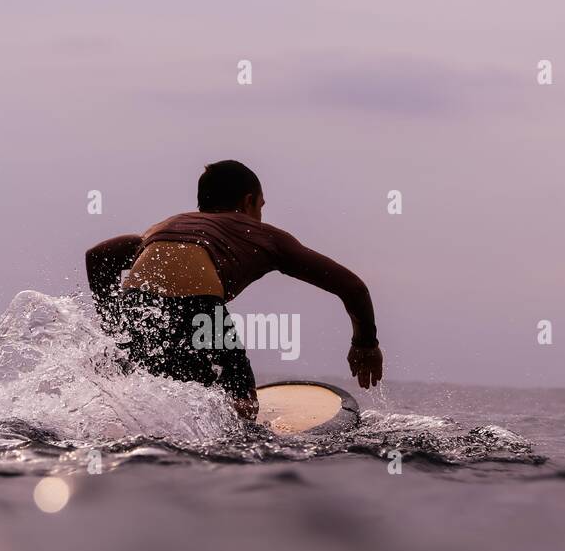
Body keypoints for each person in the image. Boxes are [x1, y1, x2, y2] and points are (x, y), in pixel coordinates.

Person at [85, 160, 382, 419]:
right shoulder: (264, 236)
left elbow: (98, 257)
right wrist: (365, 343)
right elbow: (351, 286)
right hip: (199, 310)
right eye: (261, 206)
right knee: (241, 401)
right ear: (249, 201)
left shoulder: (164, 227)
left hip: (136, 307)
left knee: (153, 388)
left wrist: (113, 325)